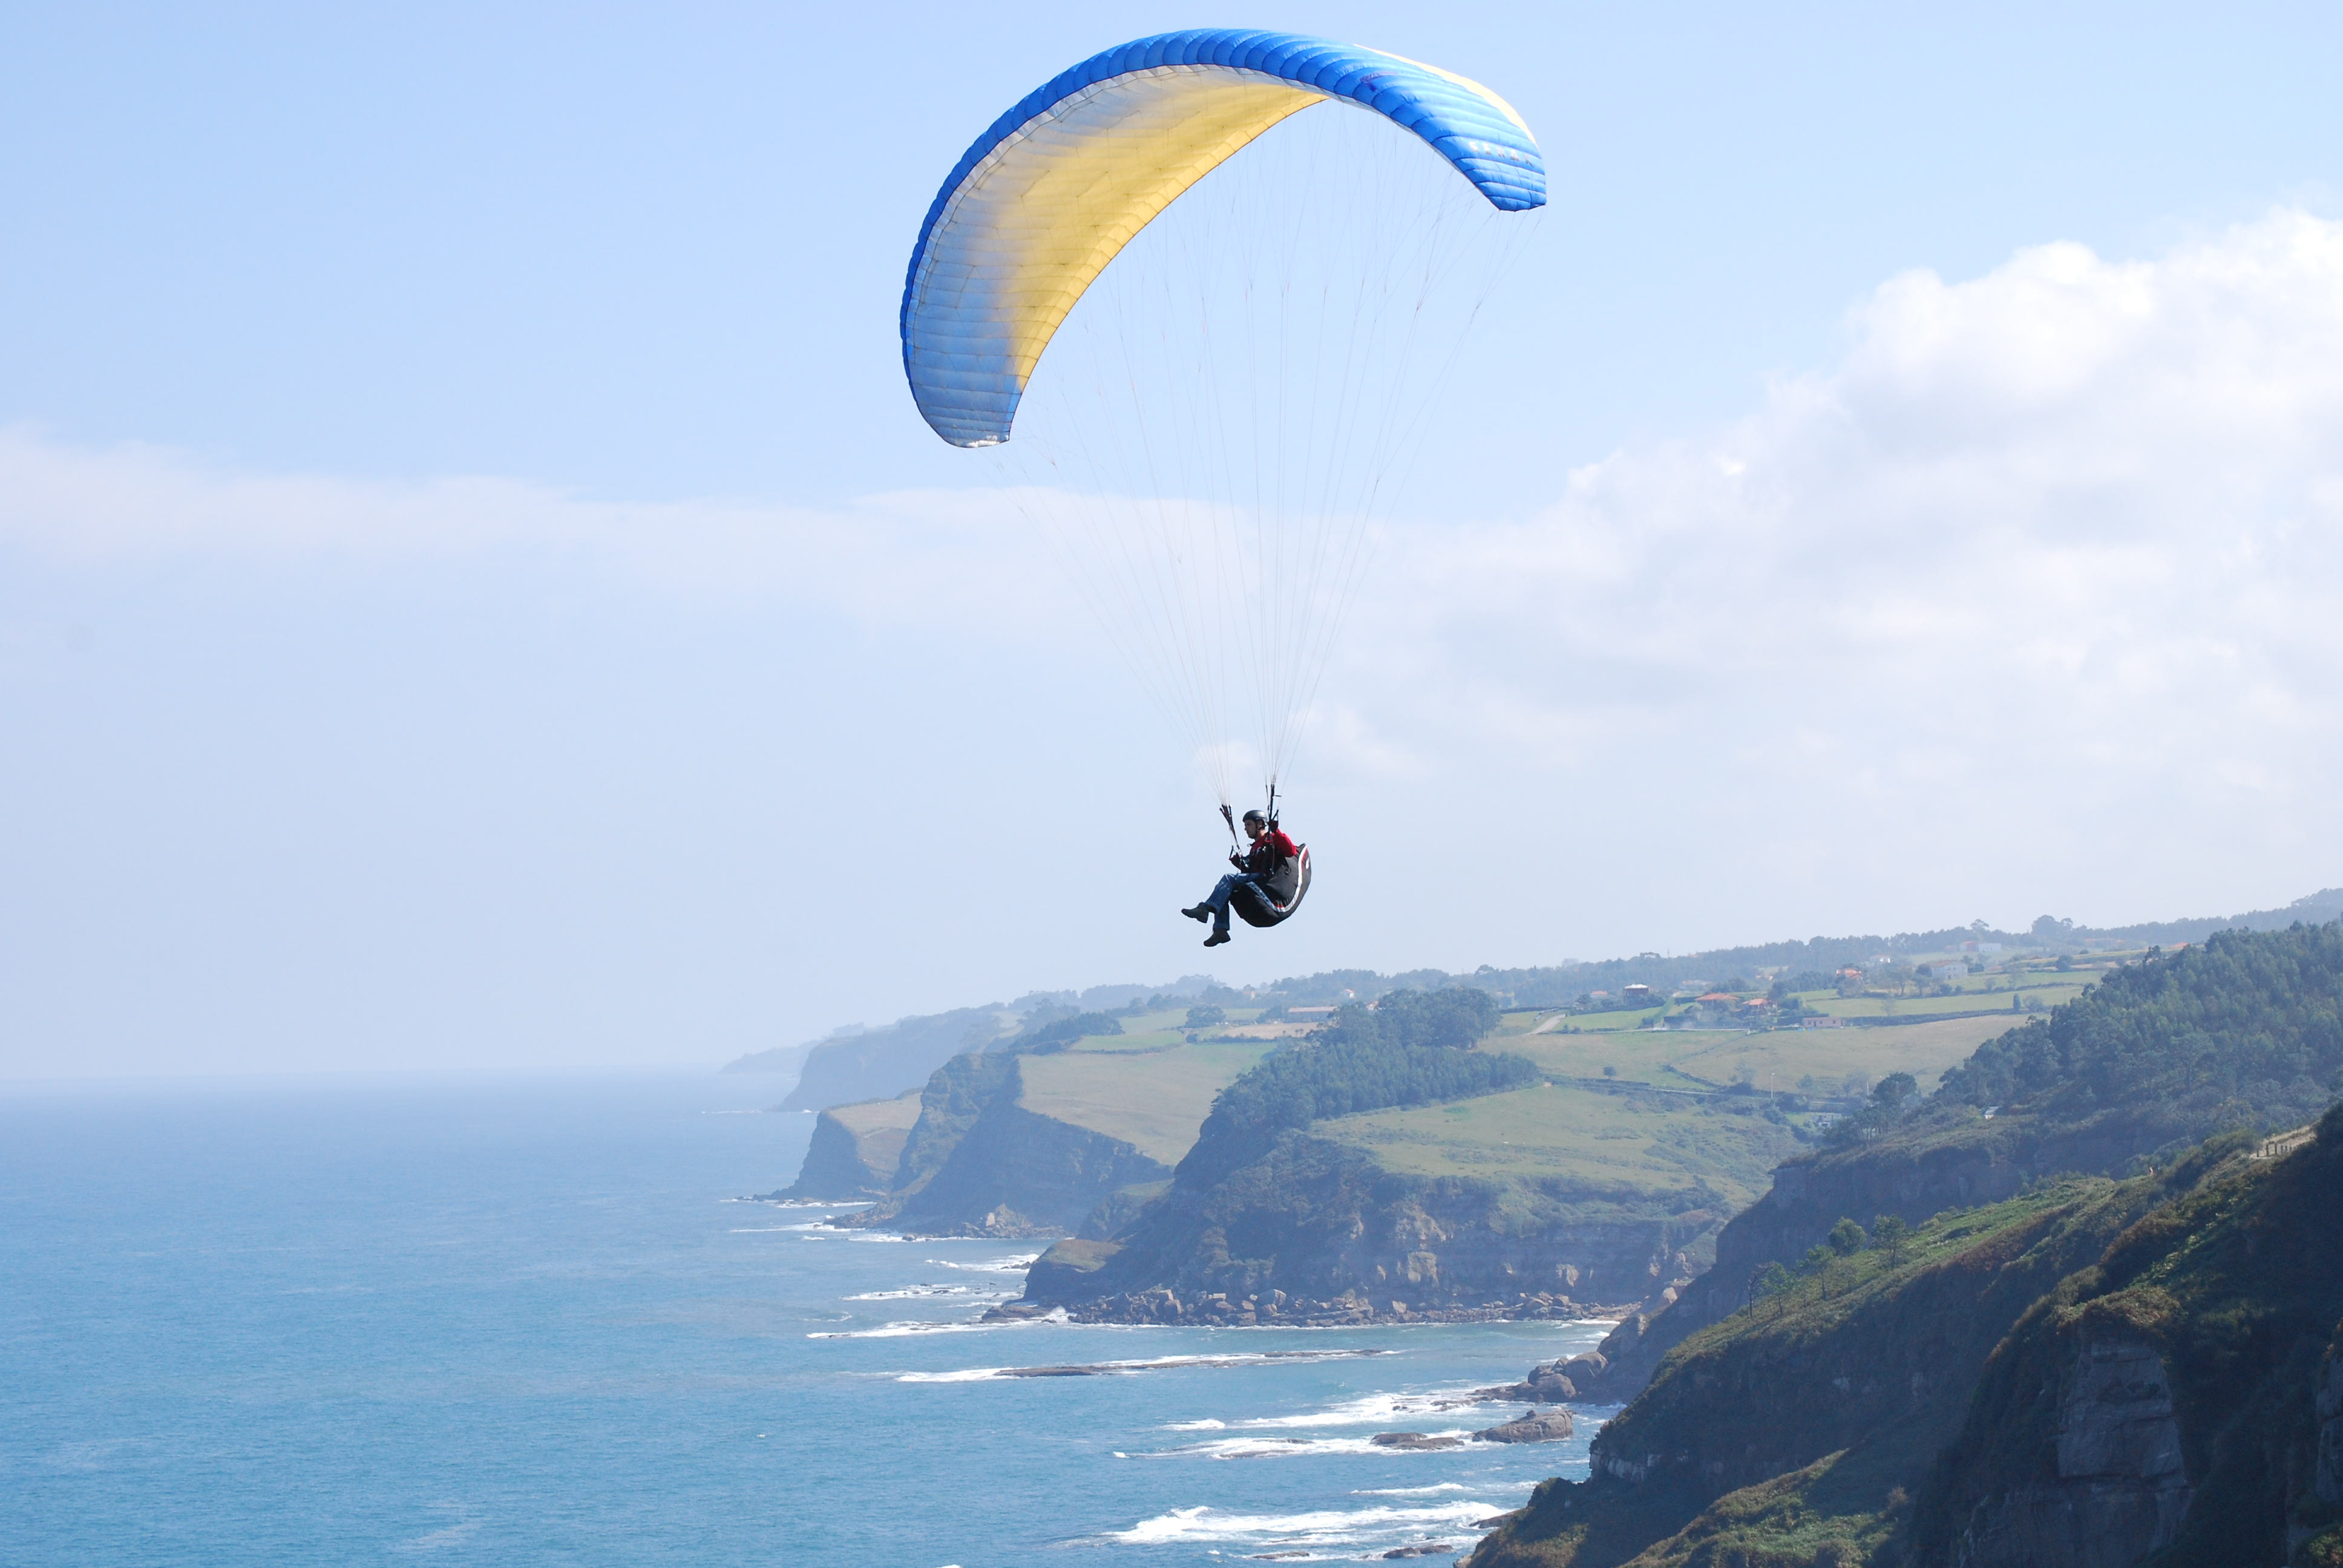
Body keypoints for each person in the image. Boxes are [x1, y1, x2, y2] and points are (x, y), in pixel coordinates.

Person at [1182, 809, 1300, 947]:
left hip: (1266, 879)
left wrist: (1276, 831)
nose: (1245, 829)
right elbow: (1254, 866)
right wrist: (1241, 863)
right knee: (1224, 891)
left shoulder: (1271, 839)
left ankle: (1205, 909)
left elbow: (1290, 851)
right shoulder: (1257, 847)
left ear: (1260, 824)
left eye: (1248, 825)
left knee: (1228, 878)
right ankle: (1221, 930)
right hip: (1256, 879)